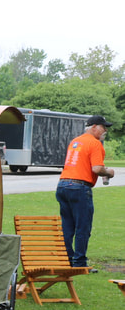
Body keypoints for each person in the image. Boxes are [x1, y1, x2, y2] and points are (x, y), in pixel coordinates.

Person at [56, 114, 115, 269]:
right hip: (79, 187)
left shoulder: (75, 141)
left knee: (67, 226)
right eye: (103, 127)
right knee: (83, 226)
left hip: (62, 185)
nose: (105, 131)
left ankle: (67, 260)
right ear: (94, 127)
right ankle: (79, 263)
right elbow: (97, 169)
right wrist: (109, 172)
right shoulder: (95, 143)